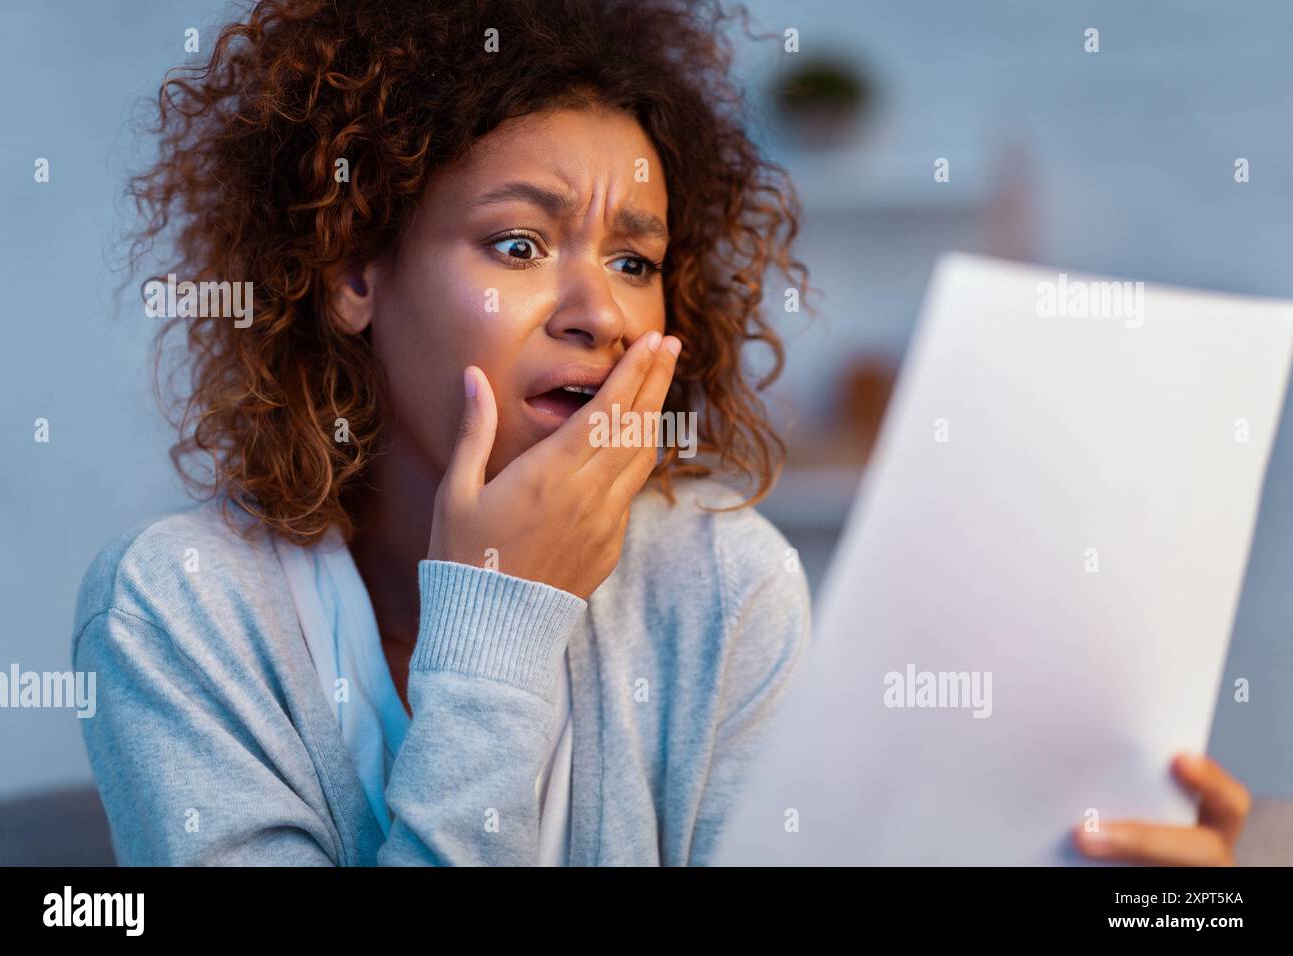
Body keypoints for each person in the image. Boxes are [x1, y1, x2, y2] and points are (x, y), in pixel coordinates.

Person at [73, 0, 1248, 866]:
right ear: (352, 274)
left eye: (635, 260)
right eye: (519, 245)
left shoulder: (723, 582)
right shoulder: (180, 609)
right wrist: (501, 619)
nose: (597, 311)